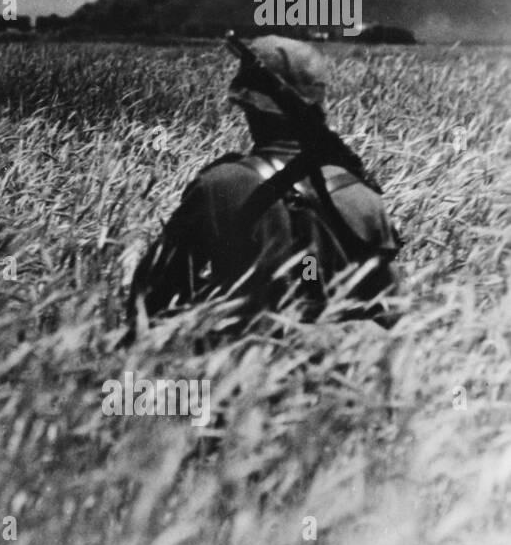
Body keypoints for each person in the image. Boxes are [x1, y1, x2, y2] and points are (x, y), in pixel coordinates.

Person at [128, 35, 401, 329]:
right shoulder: (365, 197)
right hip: (341, 364)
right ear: (318, 105)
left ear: (249, 107)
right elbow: (391, 311)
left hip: (240, 366)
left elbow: (151, 298)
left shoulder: (218, 186)